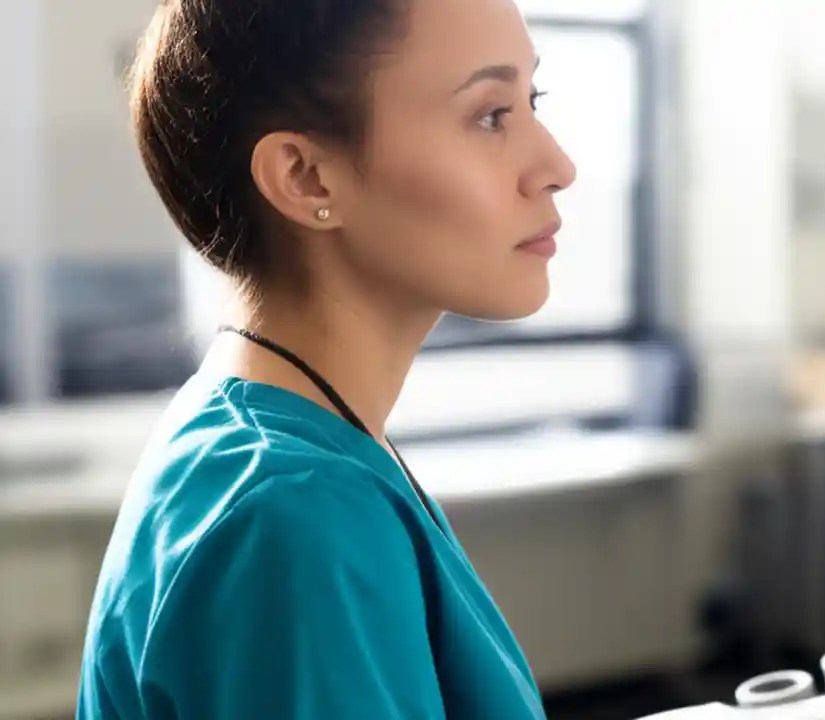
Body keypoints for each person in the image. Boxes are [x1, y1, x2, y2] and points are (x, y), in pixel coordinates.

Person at [76, 0, 576, 717]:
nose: (559, 166)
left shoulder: (267, 441)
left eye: (533, 100)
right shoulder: (292, 517)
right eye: (491, 115)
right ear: (307, 177)